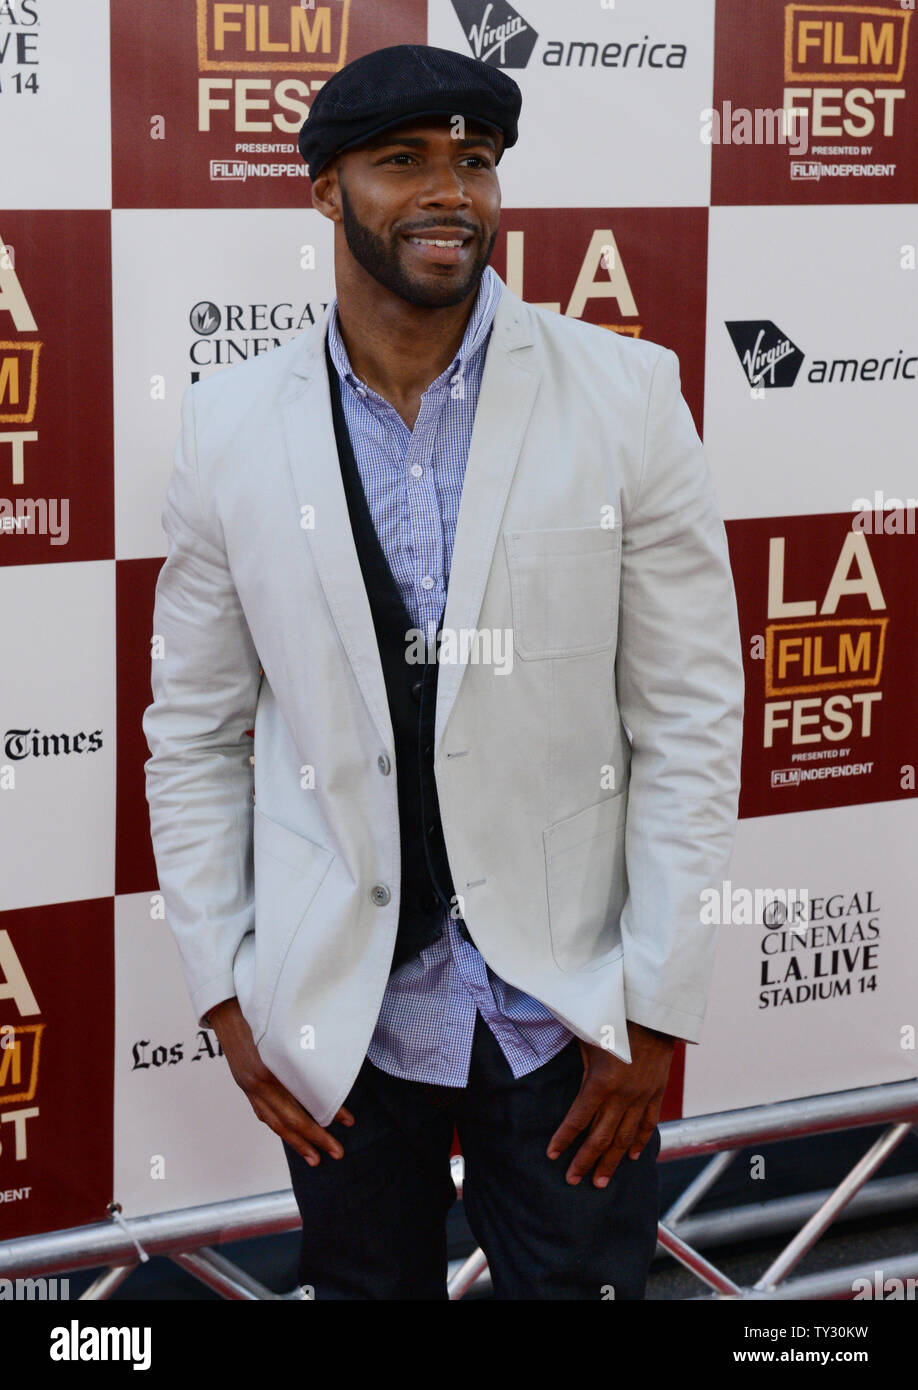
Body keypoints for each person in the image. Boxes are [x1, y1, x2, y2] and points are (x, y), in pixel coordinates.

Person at [142, 43, 744, 1300]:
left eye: (474, 162)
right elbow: (192, 733)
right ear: (324, 190)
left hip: (568, 1022)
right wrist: (229, 1000)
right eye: (401, 161)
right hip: (340, 1027)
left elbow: (690, 712)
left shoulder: (627, 396)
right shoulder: (228, 429)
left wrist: (657, 999)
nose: (448, 193)